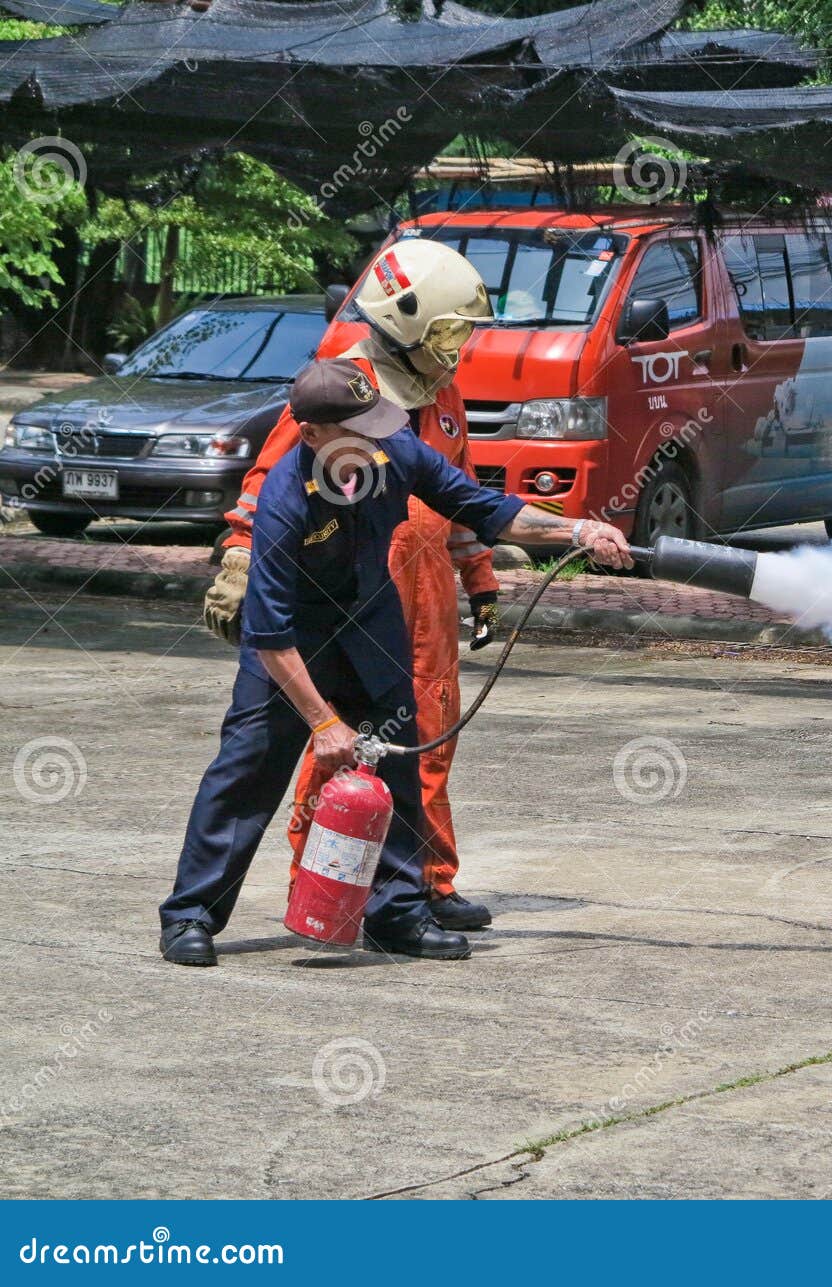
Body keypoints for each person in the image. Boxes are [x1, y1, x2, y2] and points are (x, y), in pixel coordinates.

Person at [159, 359, 632, 967]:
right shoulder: (283, 500)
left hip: (370, 626)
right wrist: (323, 722)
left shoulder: (397, 452)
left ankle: (396, 914)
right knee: (249, 767)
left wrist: (578, 532)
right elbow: (269, 632)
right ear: (312, 436)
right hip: (292, 645)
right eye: (362, 428)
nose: (380, 437)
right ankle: (191, 915)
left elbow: (484, 507)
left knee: (396, 767)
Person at [203, 238, 510, 932]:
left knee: (423, 743)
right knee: (338, 749)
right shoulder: (341, 392)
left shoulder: (443, 394)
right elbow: (269, 486)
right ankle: (317, 884)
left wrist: (480, 579)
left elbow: (460, 498)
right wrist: (240, 559)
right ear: (409, 325)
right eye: (449, 331)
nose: (457, 346)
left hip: (426, 596)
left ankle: (425, 885)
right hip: (354, 590)